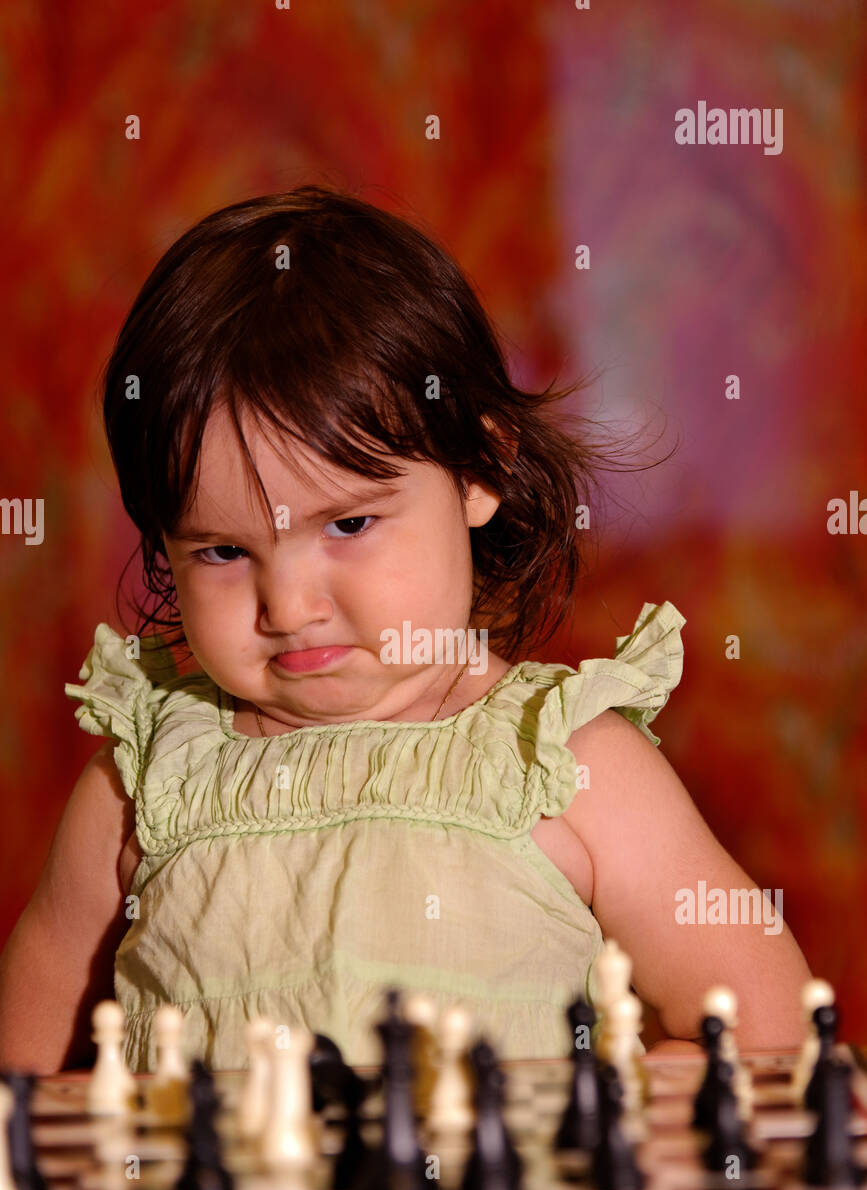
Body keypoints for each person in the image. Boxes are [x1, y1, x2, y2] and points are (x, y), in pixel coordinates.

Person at [0, 187, 811, 1073]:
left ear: (480, 468)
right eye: (224, 551)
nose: (289, 606)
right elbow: (24, 1066)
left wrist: (615, 1117)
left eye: (347, 526)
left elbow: (767, 1029)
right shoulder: (141, 785)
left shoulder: (567, 763)